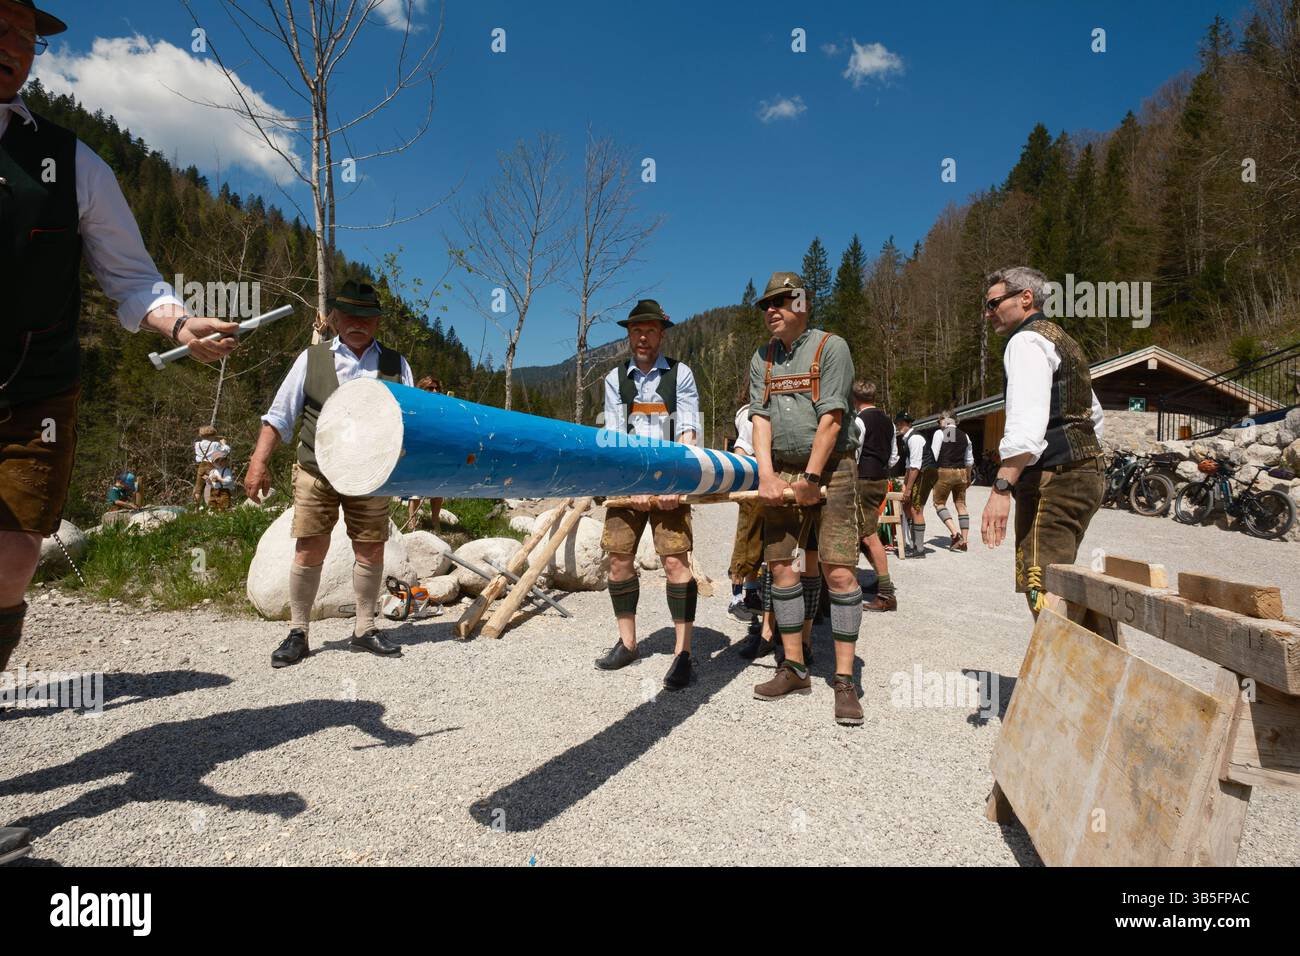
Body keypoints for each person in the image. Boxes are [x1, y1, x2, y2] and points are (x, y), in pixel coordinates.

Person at [0, 0, 241, 864]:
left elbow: (132, 279)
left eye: (23, 35)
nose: (11, 48)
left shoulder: (73, 162)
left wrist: (183, 327)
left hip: (37, 391)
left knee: (14, 560)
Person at [246, 279, 414, 667]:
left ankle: (365, 628)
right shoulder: (312, 358)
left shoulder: (396, 363)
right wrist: (258, 462)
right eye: (350, 316)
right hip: (316, 469)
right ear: (335, 318)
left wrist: (411, 475)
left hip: (373, 472)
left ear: (377, 322)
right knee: (309, 546)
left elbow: (410, 419)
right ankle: (299, 631)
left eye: (367, 318)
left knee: (371, 547)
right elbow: (278, 417)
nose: (358, 324)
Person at [747, 272, 864, 726]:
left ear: (802, 304)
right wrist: (768, 475)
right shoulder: (763, 357)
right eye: (766, 304)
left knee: (838, 571)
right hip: (785, 468)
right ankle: (794, 666)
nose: (771, 310)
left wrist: (813, 477)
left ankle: (844, 679)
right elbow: (760, 420)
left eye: (780, 301)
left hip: (832, 468)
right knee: (780, 567)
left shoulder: (830, 347)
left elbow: (833, 417)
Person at [978, 266, 1106, 616]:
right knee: (1060, 582)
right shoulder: (1061, 339)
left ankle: (1068, 669)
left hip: (1054, 478)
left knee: (1041, 585)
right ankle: (1080, 665)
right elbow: (1094, 414)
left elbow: (1025, 426)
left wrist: (1001, 488)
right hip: (1086, 473)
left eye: (993, 304)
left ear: (1026, 298)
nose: (988, 314)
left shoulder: (1026, 340)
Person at [593, 299, 701, 691]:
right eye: (636, 329)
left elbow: (688, 430)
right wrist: (634, 484)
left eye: (650, 329)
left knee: (675, 563)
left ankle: (682, 654)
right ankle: (628, 643)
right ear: (629, 334)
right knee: (619, 559)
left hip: (671, 477)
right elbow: (616, 437)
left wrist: (677, 482)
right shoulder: (613, 379)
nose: (642, 336)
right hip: (628, 480)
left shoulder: (681, 374)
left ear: (661, 334)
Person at [852, 381, 899, 611]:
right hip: (881, 478)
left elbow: (855, 453)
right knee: (864, 532)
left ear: (854, 399)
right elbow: (894, 456)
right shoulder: (889, 421)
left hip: (864, 480)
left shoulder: (860, 420)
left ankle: (886, 594)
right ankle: (882, 583)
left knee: (868, 534)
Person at [726, 381, 763, 622]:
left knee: (760, 540)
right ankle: (736, 598)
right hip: (753, 480)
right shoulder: (749, 413)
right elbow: (742, 448)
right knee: (746, 539)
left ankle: (751, 592)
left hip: (765, 481)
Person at [404, 376, 444, 532]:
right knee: (415, 488)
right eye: (430, 388)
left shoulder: (442, 407)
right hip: (420, 450)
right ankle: (411, 522)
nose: (434, 391)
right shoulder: (416, 405)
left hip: (437, 450)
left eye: (436, 388)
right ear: (422, 389)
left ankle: (435, 521)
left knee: (438, 488)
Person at [930, 411, 974, 551]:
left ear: (945, 420)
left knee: (939, 503)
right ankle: (965, 541)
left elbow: (934, 456)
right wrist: (968, 477)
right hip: (961, 472)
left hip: (944, 472)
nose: (939, 424)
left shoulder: (940, 433)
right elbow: (969, 461)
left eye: (939, 421)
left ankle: (955, 534)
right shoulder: (965, 435)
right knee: (961, 505)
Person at [896, 411, 938, 558]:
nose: (900, 425)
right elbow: (908, 467)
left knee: (916, 508)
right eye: (899, 423)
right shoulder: (906, 439)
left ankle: (919, 550)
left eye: (903, 423)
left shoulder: (915, 438)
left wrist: (908, 490)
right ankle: (912, 544)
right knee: (908, 506)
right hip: (919, 471)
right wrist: (904, 485)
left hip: (926, 472)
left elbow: (915, 466)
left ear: (909, 424)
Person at [193, 425, 231, 508]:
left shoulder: (197, 444)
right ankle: (215, 505)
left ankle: (196, 507)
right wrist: (224, 444)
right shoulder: (215, 444)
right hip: (211, 467)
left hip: (201, 467)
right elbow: (225, 452)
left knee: (199, 487)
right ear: (211, 435)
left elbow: (197, 457)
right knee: (214, 486)